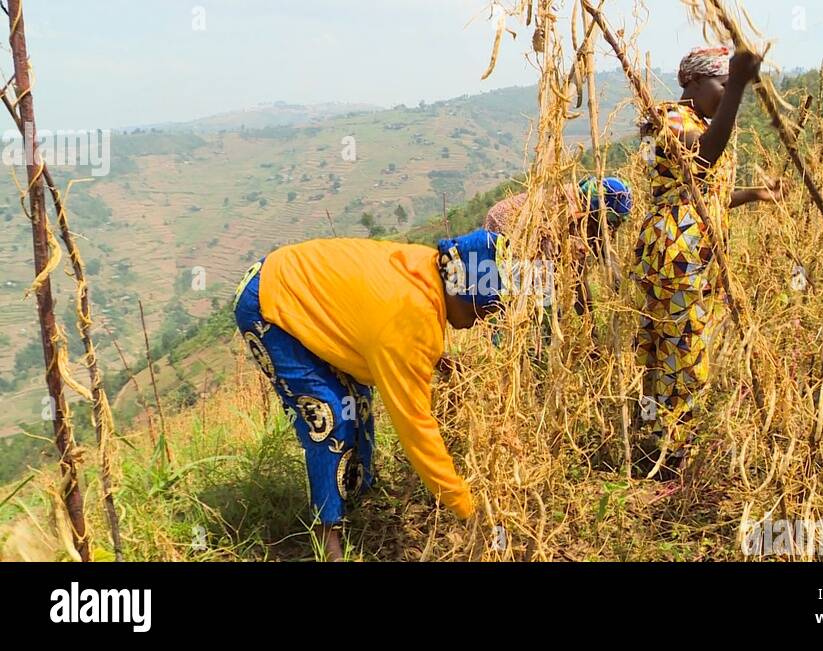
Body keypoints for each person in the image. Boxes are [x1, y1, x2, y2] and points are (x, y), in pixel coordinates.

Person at [232, 229, 506, 560]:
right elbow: (417, 429)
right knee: (329, 415)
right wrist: (466, 507)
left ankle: (357, 499)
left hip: (295, 283)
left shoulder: (429, 267)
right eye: (482, 307)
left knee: (357, 403)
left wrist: (436, 359)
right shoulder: (410, 318)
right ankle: (327, 541)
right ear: (460, 290)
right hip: (270, 304)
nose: (483, 318)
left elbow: (379, 319)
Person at [633, 46, 783, 466]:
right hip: (675, 254)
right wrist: (737, 86)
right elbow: (701, 159)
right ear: (694, 82)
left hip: (699, 254)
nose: (727, 92)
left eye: (729, 84)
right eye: (721, 84)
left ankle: (659, 439)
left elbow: (706, 192)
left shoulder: (702, 123)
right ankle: (672, 450)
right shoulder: (666, 118)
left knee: (681, 344)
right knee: (681, 349)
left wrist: (755, 194)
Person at [484, 176, 633, 317]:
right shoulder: (573, 214)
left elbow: (603, 252)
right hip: (506, 223)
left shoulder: (590, 210)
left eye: (621, 220)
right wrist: (588, 320)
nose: (615, 226)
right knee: (524, 286)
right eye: (613, 219)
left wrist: (621, 287)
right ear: (599, 209)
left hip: (530, 228)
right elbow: (575, 276)